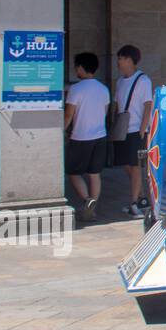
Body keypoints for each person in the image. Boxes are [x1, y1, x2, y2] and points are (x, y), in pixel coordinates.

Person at [65, 52, 110, 222]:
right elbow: (104, 112)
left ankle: (87, 200)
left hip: (80, 136)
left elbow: (69, 115)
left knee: (73, 173)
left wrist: (62, 130)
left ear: (82, 68)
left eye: (77, 66)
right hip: (100, 136)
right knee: (94, 174)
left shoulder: (76, 89)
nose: (76, 69)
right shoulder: (103, 89)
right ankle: (93, 208)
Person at [112, 45, 154, 218]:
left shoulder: (143, 80)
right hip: (123, 129)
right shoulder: (120, 81)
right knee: (127, 166)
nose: (118, 63)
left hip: (137, 129)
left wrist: (143, 129)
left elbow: (148, 105)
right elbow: (117, 105)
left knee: (135, 167)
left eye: (121, 59)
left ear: (130, 60)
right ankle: (142, 197)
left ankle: (134, 202)